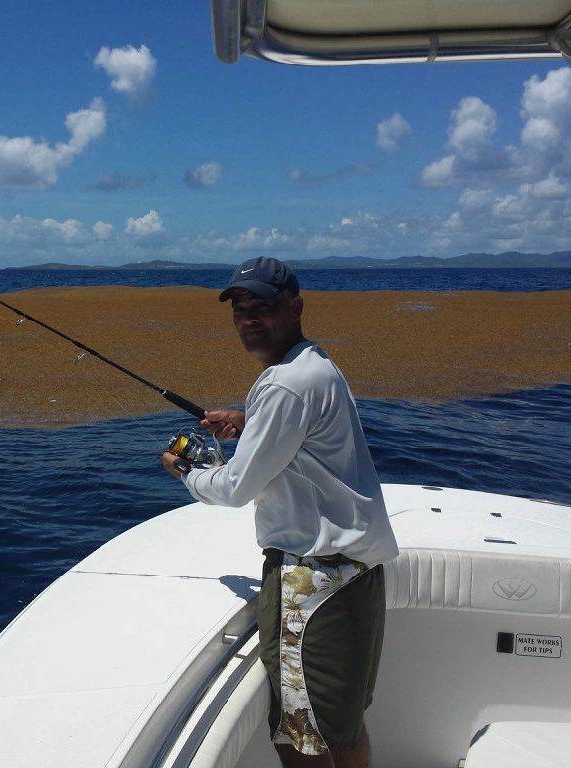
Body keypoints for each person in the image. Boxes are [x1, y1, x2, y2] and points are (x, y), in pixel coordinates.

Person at [162, 256, 399, 768]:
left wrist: (186, 472)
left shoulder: (283, 385)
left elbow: (233, 488)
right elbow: (308, 433)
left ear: (294, 307)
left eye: (262, 307)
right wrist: (251, 422)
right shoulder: (315, 366)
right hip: (352, 579)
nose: (249, 319)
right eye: (240, 309)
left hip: (314, 586)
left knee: (301, 739)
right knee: (342, 726)